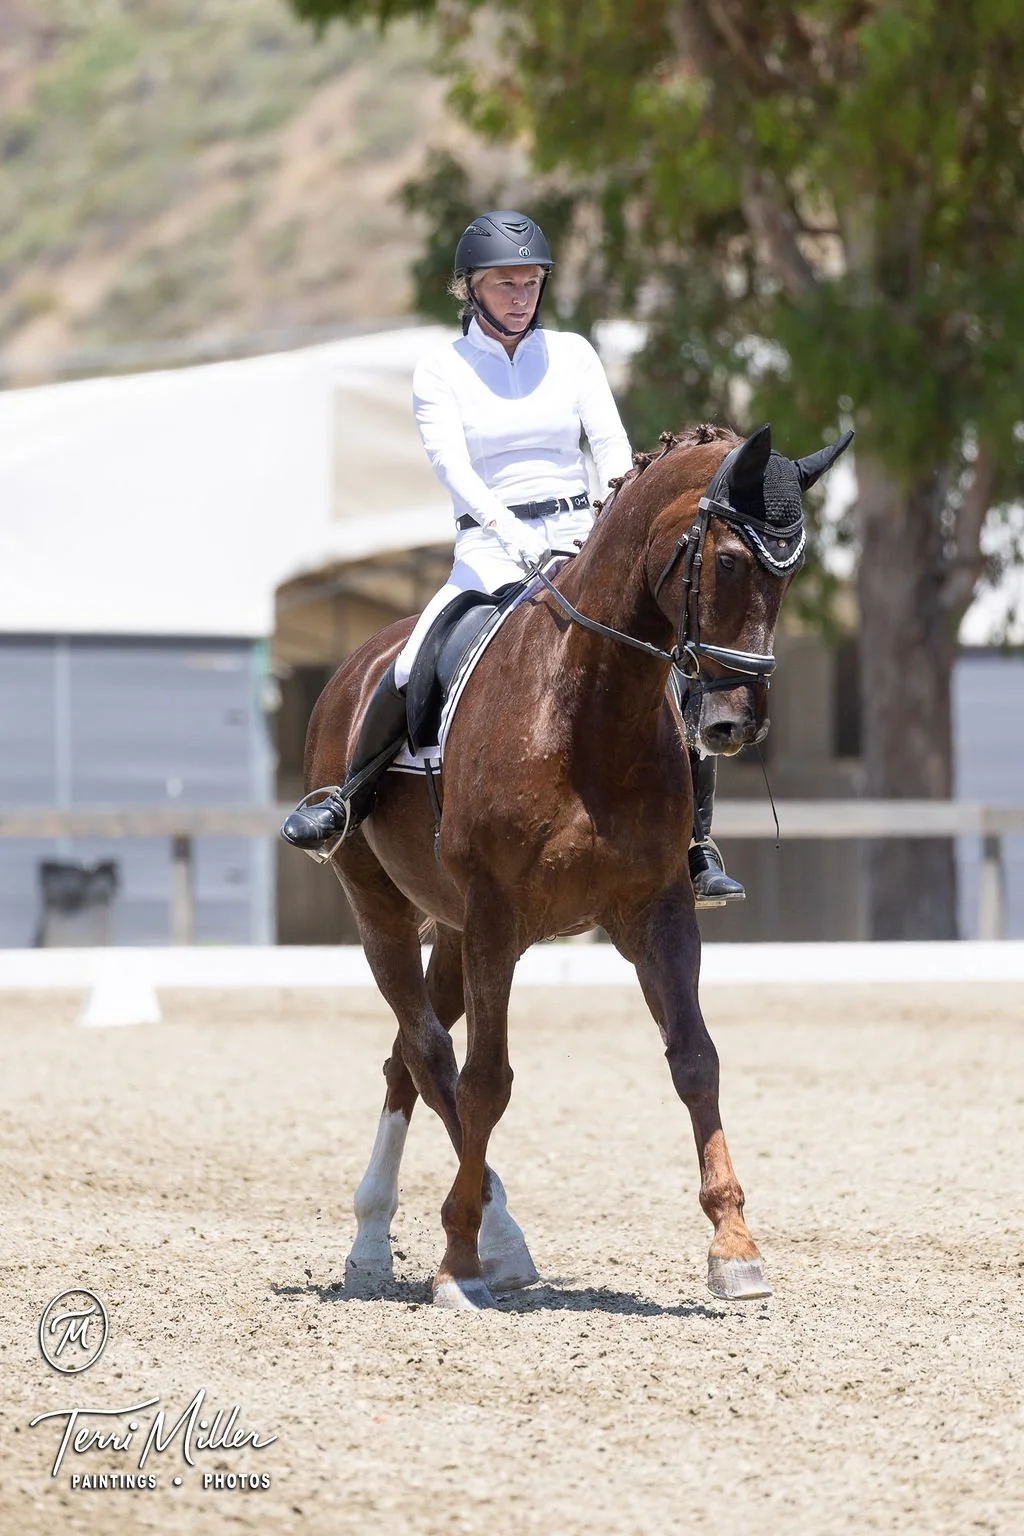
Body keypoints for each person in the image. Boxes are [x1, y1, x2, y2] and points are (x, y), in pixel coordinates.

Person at [280, 210, 744, 906]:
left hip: (584, 536)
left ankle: (696, 843)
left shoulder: (574, 355)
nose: (522, 295)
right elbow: (453, 468)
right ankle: (347, 798)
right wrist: (509, 533)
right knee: (415, 659)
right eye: (506, 283)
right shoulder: (444, 369)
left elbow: (612, 450)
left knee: (670, 659)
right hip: (488, 547)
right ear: (470, 288)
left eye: (531, 282)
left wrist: (614, 519)